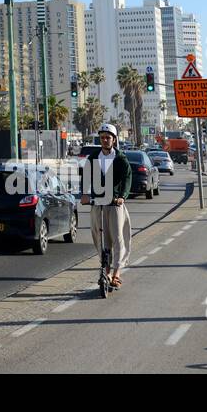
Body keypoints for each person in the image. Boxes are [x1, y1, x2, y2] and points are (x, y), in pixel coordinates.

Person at [80, 123, 132, 289]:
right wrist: (85, 194)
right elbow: (86, 177)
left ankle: (116, 273)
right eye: (102, 137)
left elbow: (127, 178)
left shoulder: (120, 159)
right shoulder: (93, 158)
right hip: (98, 203)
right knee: (99, 238)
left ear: (114, 140)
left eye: (108, 137)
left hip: (114, 204)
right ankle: (106, 270)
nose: (105, 140)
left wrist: (122, 197)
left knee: (117, 237)